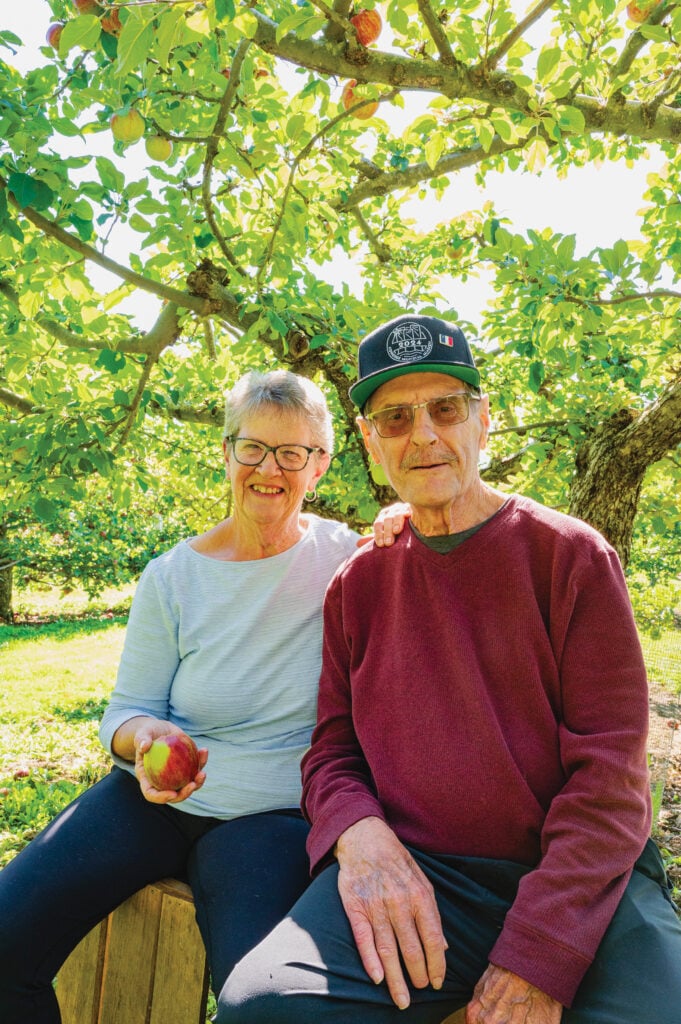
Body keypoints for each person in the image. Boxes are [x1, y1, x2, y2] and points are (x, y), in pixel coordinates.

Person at [218, 314, 681, 1024]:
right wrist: (359, 834)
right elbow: (332, 752)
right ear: (371, 443)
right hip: (425, 874)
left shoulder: (570, 557)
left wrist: (537, 954)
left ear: (483, 420)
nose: (424, 435)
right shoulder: (358, 583)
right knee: (264, 1008)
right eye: (395, 419)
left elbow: (610, 780)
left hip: (579, 878)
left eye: (445, 409)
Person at [0, 368, 407, 1024]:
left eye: (292, 452)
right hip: (153, 803)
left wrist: (402, 521)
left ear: (320, 467)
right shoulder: (172, 577)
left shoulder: (346, 556)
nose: (268, 468)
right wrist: (147, 739)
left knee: (262, 1004)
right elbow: (125, 709)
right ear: (226, 452)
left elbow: (433, 545)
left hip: (272, 816)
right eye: (251, 447)